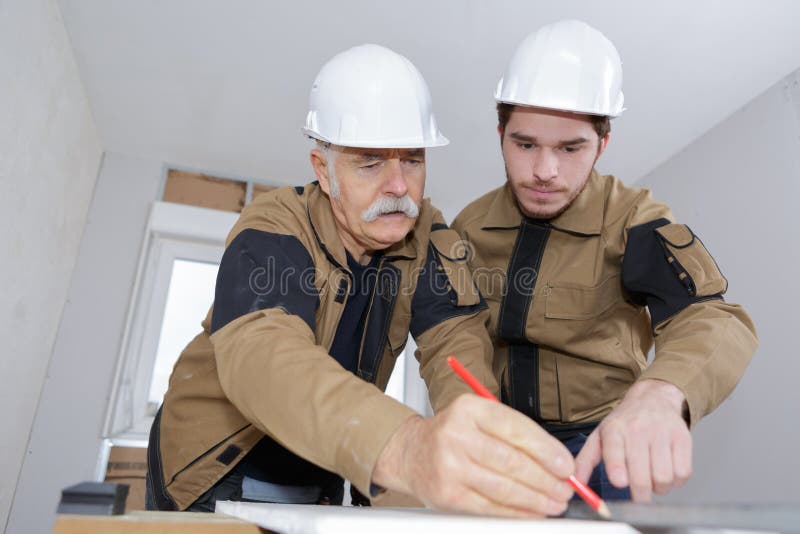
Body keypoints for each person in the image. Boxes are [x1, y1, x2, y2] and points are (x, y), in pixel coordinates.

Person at [146, 43, 576, 517]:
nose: (399, 186)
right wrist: (406, 446)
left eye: (412, 160)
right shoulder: (274, 225)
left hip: (324, 467)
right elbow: (264, 355)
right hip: (213, 466)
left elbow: (457, 345)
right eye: (370, 162)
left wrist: (485, 443)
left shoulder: (428, 236)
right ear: (323, 170)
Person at [452, 20, 758, 503]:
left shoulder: (635, 220)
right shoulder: (468, 227)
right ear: (500, 134)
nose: (544, 171)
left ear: (603, 144)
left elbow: (712, 318)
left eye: (570, 148)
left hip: (598, 446)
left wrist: (661, 392)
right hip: (502, 445)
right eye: (525, 144)